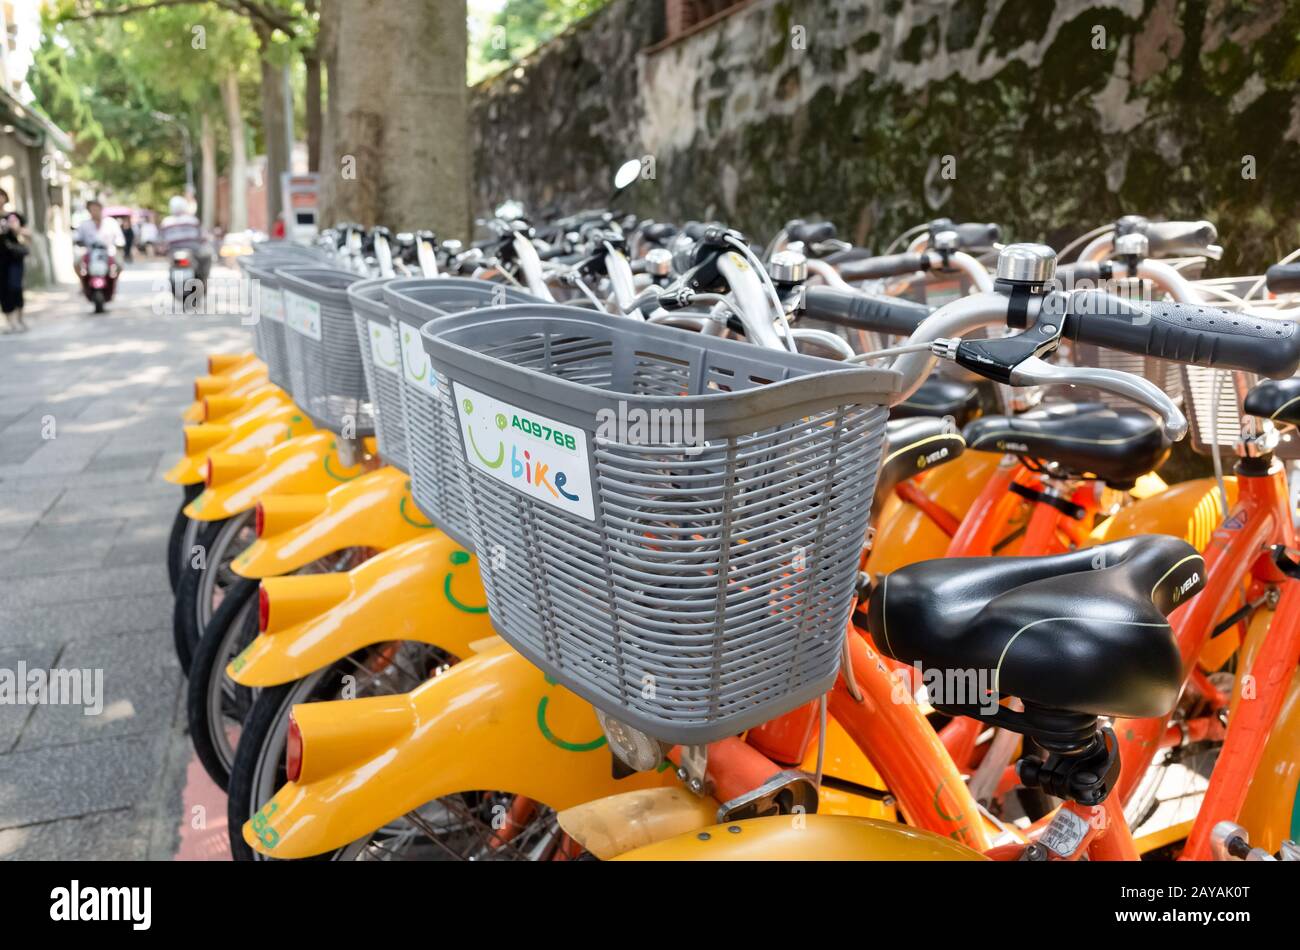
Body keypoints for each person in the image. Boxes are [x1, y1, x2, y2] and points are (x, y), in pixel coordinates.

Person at [0, 211, 29, 333]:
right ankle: (10, 322)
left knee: (16, 288)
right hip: (1, 261)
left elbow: (28, 235)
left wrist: (15, 228)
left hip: (14, 260)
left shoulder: (12, 215)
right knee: (3, 291)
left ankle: (19, 319)